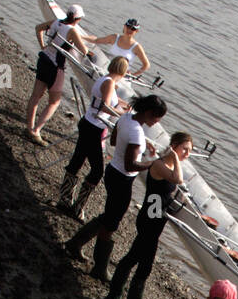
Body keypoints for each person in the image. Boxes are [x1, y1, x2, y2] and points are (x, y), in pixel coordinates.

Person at [64, 94, 167, 283]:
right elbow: (131, 165)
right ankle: (99, 267)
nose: (158, 122)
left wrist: (142, 145)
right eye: (157, 117)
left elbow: (113, 142)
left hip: (113, 171)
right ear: (150, 113)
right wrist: (152, 163)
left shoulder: (126, 118)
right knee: (112, 222)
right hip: (122, 179)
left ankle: (76, 243)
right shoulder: (136, 133)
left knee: (109, 217)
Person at [104, 131, 193, 299]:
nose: (187, 153)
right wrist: (177, 159)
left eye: (190, 151)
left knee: (135, 257)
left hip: (155, 216)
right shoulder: (160, 164)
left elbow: (169, 188)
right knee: (144, 263)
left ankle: (115, 296)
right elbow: (178, 179)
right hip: (150, 217)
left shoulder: (167, 164)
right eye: (184, 149)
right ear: (174, 146)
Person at [56, 56, 130, 220]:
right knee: (97, 171)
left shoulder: (106, 80)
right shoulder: (109, 82)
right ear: (123, 71)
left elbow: (111, 100)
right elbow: (104, 106)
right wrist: (122, 114)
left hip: (89, 124)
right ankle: (77, 206)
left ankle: (66, 199)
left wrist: (125, 105)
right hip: (93, 127)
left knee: (78, 160)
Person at [26, 4, 94, 145]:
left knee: (35, 96)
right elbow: (84, 50)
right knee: (55, 102)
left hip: (43, 59)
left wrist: (43, 46)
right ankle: (36, 130)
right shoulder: (72, 31)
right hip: (56, 67)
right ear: (78, 19)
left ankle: (29, 127)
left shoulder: (56, 22)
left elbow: (38, 28)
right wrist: (87, 47)